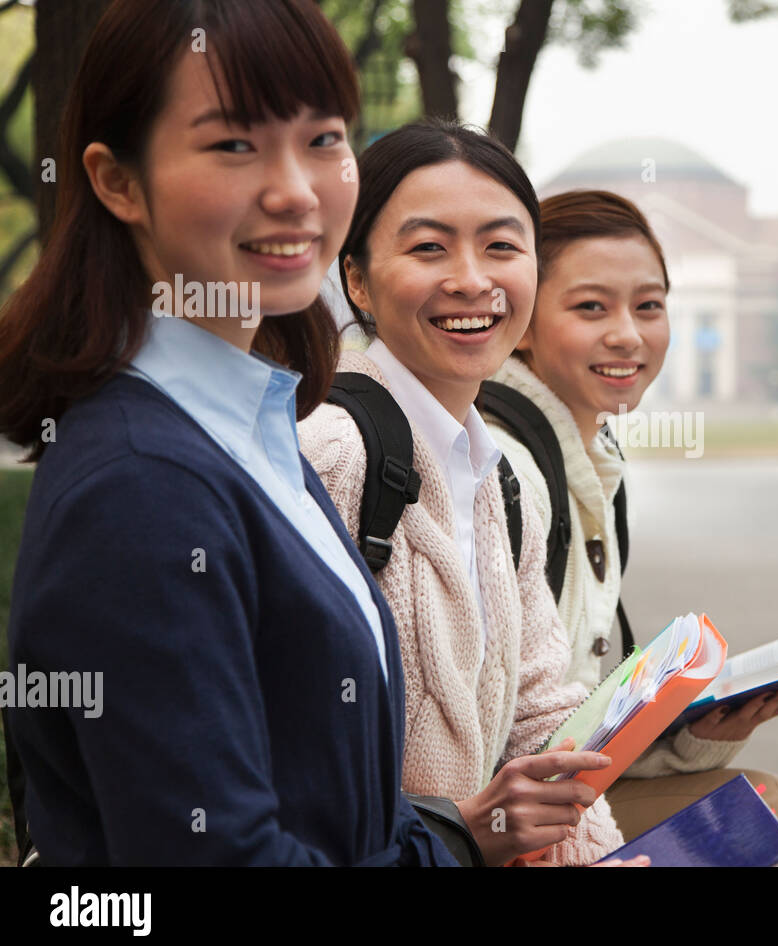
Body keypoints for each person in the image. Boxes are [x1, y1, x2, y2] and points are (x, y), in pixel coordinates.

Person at [0, 0, 456, 865]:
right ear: (117, 182)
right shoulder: (140, 487)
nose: (294, 189)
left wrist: (469, 841)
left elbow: (337, 802)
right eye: (233, 145)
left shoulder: (247, 425)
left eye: (323, 138)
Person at [298, 122, 632, 867]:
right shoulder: (328, 452)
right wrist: (456, 834)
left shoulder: (505, 480)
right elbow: (288, 751)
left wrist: (598, 862)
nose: (472, 279)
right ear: (357, 279)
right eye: (428, 248)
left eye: (502, 247)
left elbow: (545, 719)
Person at [482, 189, 778, 865]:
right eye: (591, 307)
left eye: (648, 306)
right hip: (498, 824)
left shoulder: (591, 462)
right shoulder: (507, 468)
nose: (628, 334)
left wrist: (694, 732)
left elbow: (571, 721)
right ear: (521, 321)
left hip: (548, 794)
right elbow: (512, 737)